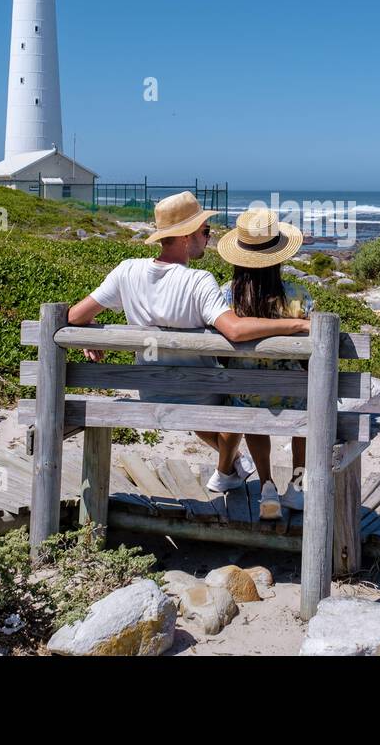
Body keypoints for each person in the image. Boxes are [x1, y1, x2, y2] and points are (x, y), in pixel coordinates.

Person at [67, 192, 310, 492]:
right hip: (201, 396)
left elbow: (75, 315)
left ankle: (233, 469)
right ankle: (237, 470)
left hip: (152, 394)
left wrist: (88, 333)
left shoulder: (126, 271)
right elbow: (234, 330)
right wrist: (298, 323)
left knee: (236, 394)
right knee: (238, 396)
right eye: (204, 232)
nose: (207, 238)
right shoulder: (199, 281)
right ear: (185, 236)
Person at [215, 207, 311, 520]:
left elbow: (220, 354)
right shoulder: (298, 296)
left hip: (246, 395)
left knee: (246, 402)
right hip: (294, 395)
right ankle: (297, 484)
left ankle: (267, 484)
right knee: (309, 399)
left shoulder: (225, 297)